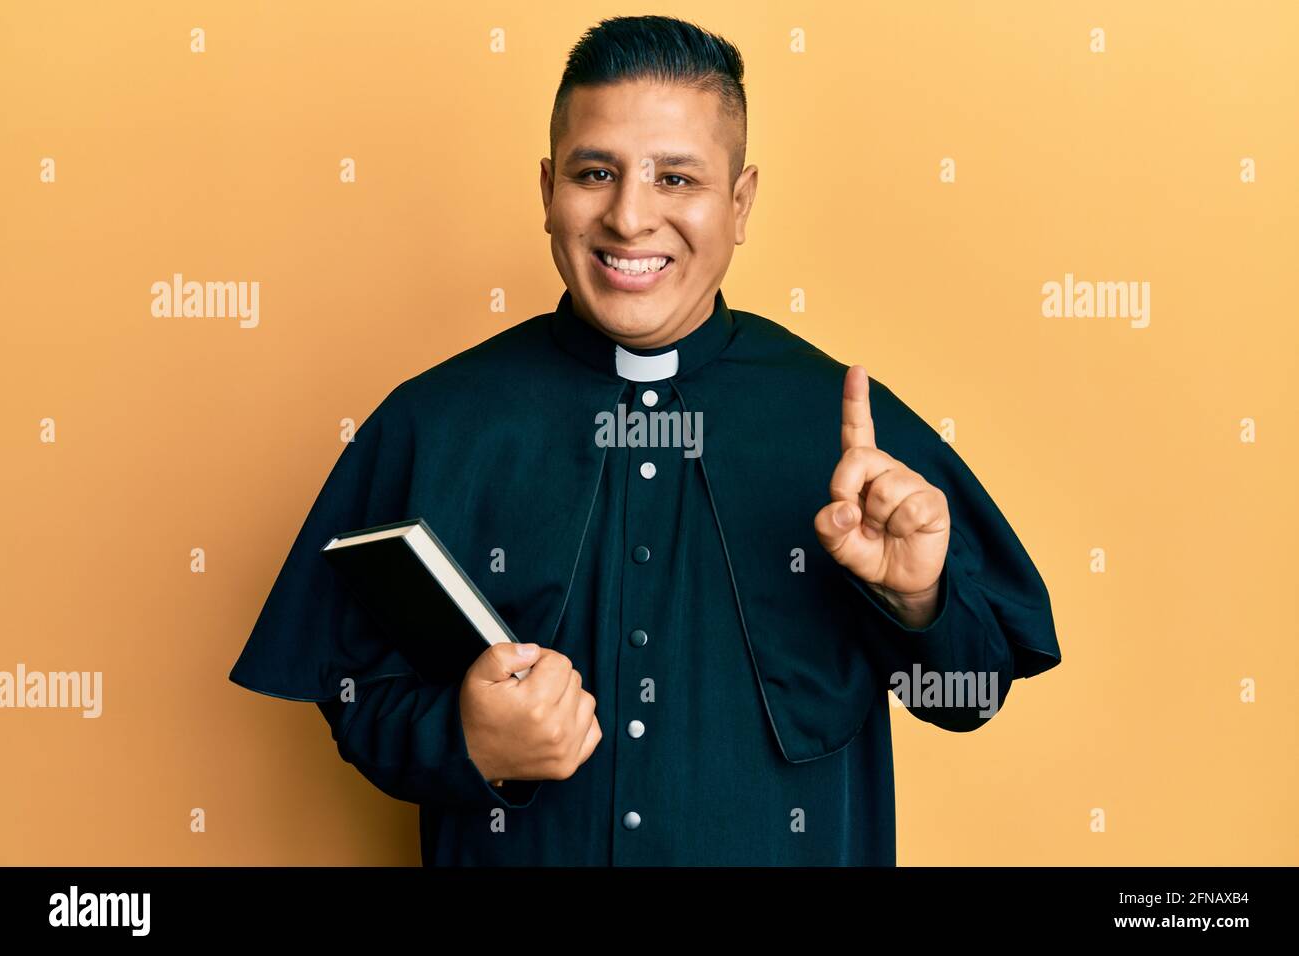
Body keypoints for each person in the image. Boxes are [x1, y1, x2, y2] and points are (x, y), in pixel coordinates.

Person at [228, 14, 1062, 866]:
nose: (630, 218)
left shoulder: (847, 428)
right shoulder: (433, 421)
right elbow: (353, 696)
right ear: (549, 189)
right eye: (596, 173)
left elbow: (972, 695)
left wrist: (919, 603)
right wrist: (464, 739)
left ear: (739, 204)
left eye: (676, 178)